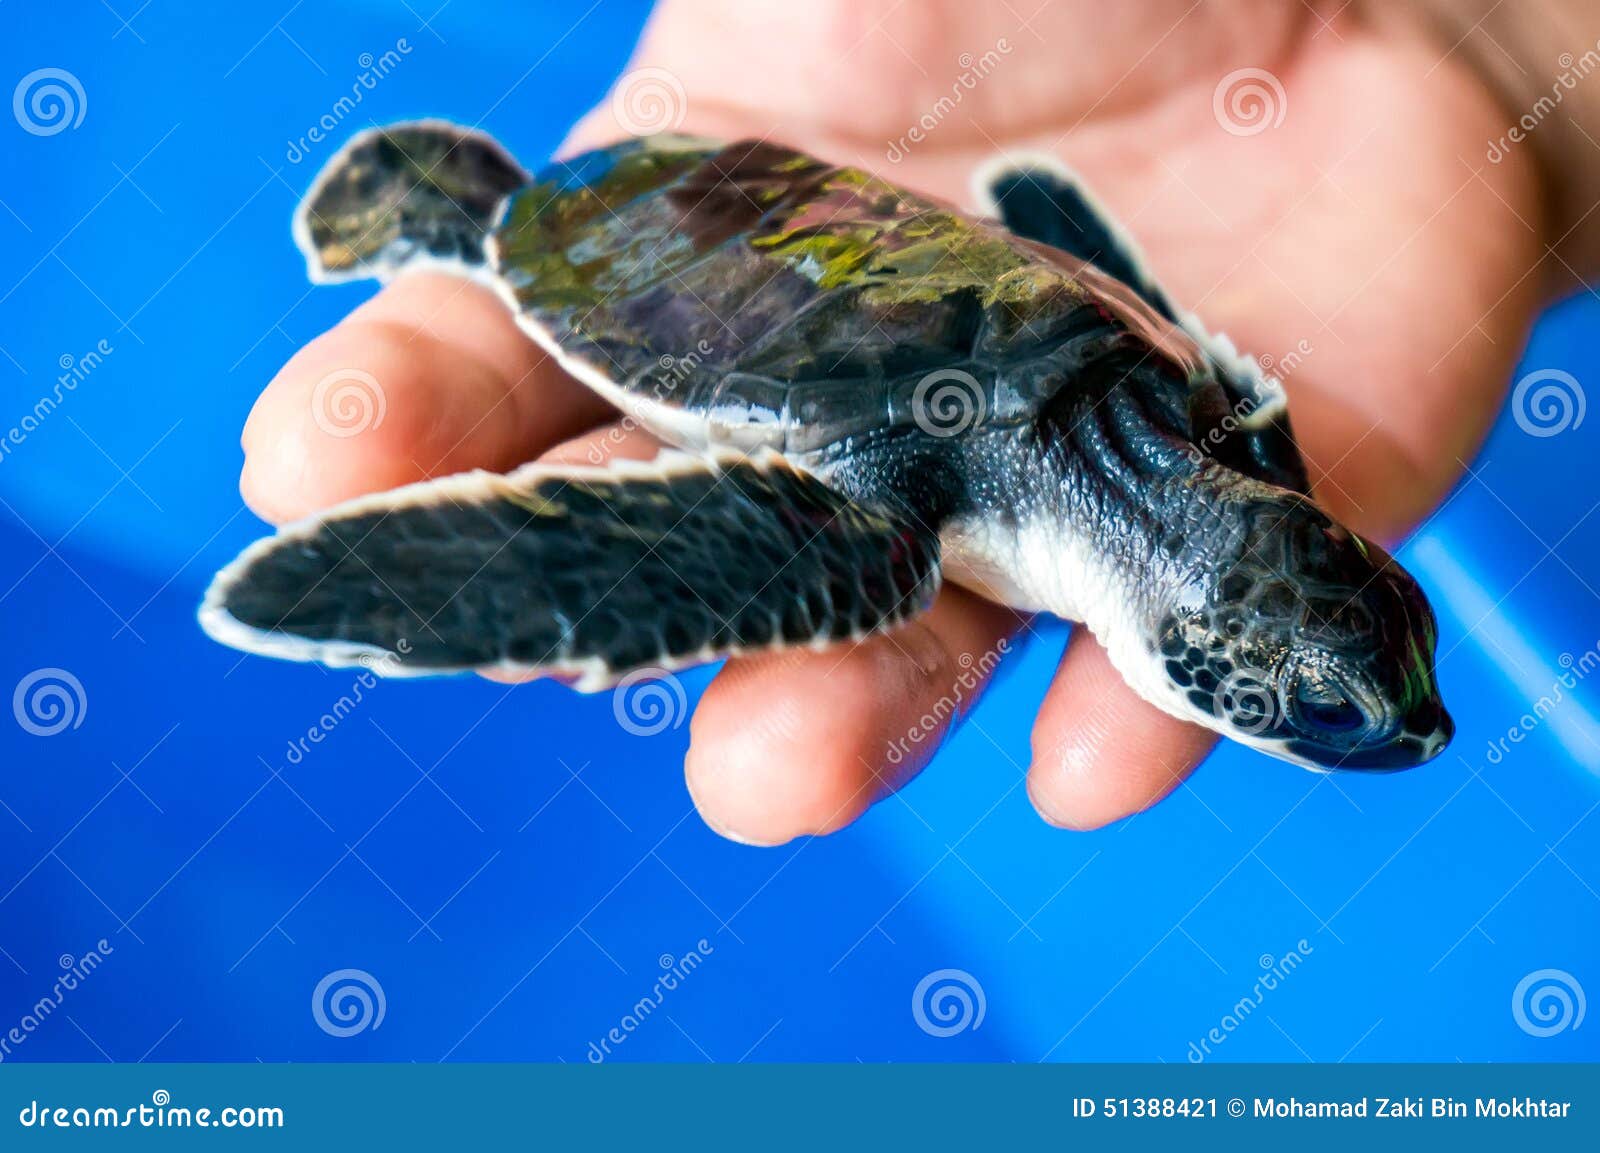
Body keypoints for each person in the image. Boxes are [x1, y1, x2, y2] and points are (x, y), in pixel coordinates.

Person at [238, 1, 1591, 845]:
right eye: (1328, 703)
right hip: (683, 251)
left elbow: (1095, 281)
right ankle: (471, 208)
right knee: (822, 601)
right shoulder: (932, 507)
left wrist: (1498, 64)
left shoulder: (1208, 416)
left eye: (1362, 690)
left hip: (845, 222)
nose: (1417, 728)